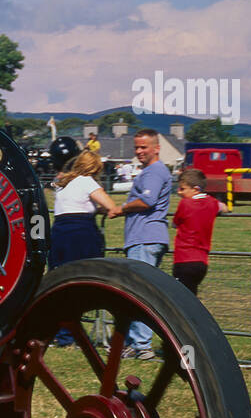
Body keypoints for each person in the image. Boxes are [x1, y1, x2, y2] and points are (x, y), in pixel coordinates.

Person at [109, 128, 172, 360]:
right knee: (140, 291)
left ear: (157, 148)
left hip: (145, 237)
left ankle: (141, 346)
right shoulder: (152, 170)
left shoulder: (154, 172)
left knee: (140, 293)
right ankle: (136, 343)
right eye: (136, 147)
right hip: (145, 237)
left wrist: (120, 209)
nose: (139, 151)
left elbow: (147, 200)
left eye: (144, 147)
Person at [49, 150, 118, 344]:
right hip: (80, 234)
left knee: (62, 284)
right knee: (84, 283)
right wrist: (101, 209)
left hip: (59, 233)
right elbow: (110, 206)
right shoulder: (87, 182)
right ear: (95, 168)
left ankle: (62, 332)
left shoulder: (63, 184)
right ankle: (73, 332)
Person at [172, 166, 227, 295]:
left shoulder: (185, 204)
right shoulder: (212, 202)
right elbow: (224, 208)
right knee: (191, 297)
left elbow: (175, 224)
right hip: (201, 261)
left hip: (184, 260)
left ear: (196, 189)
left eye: (182, 189)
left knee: (180, 299)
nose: (179, 192)